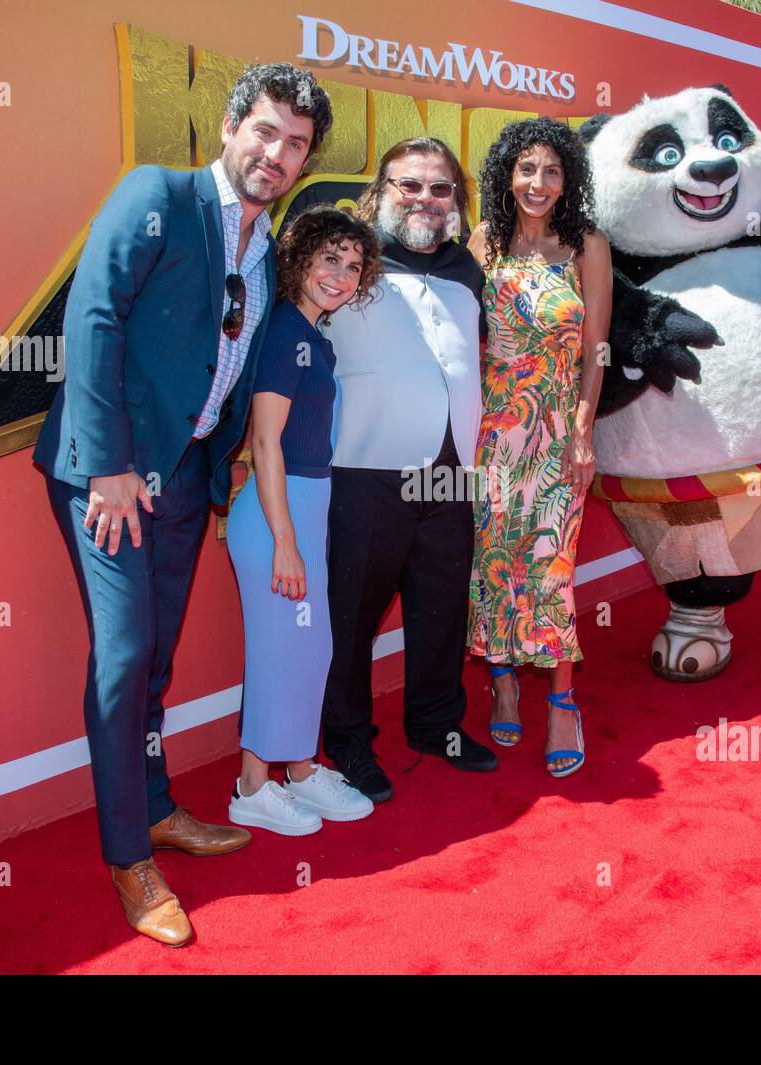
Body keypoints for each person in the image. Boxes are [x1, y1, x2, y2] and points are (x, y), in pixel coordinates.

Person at [32, 64, 332, 946]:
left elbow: (223, 363)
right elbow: (94, 317)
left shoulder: (265, 248)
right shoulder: (154, 192)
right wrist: (111, 467)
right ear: (235, 124)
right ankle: (129, 854)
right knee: (125, 656)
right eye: (268, 132)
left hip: (185, 481)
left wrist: (220, 465)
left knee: (156, 655)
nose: (278, 154)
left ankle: (158, 806)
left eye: (297, 145)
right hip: (112, 477)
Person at [318, 137, 498, 803]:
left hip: (452, 473)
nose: (425, 198)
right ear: (380, 191)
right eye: (409, 185)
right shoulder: (346, 261)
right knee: (351, 618)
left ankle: (436, 726)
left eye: (440, 187)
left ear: (456, 201)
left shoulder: (466, 271)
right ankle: (347, 740)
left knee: (442, 608)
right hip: (364, 471)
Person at [225, 207, 383, 833]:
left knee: (309, 647)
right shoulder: (288, 333)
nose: (340, 276)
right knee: (279, 650)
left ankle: (298, 767)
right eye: (329, 260)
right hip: (275, 514)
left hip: (304, 508)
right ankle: (250, 788)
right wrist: (285, 544)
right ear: (299, 260)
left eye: (352, 266)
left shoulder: (313, 335)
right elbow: (265, 443)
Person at [464, 118, 610, 778]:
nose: (538, 182)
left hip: (556, 440)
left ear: (567, 180)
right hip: (494, 436)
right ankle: (500, 680)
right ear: (507, 174)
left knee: (552, 570)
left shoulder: (586, 246)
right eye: (527, 168)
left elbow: (596, 351)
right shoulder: (484, 244)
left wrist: (583, 430)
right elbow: (463, 346)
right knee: (494, 562)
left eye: (551, 170)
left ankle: (562, 700)